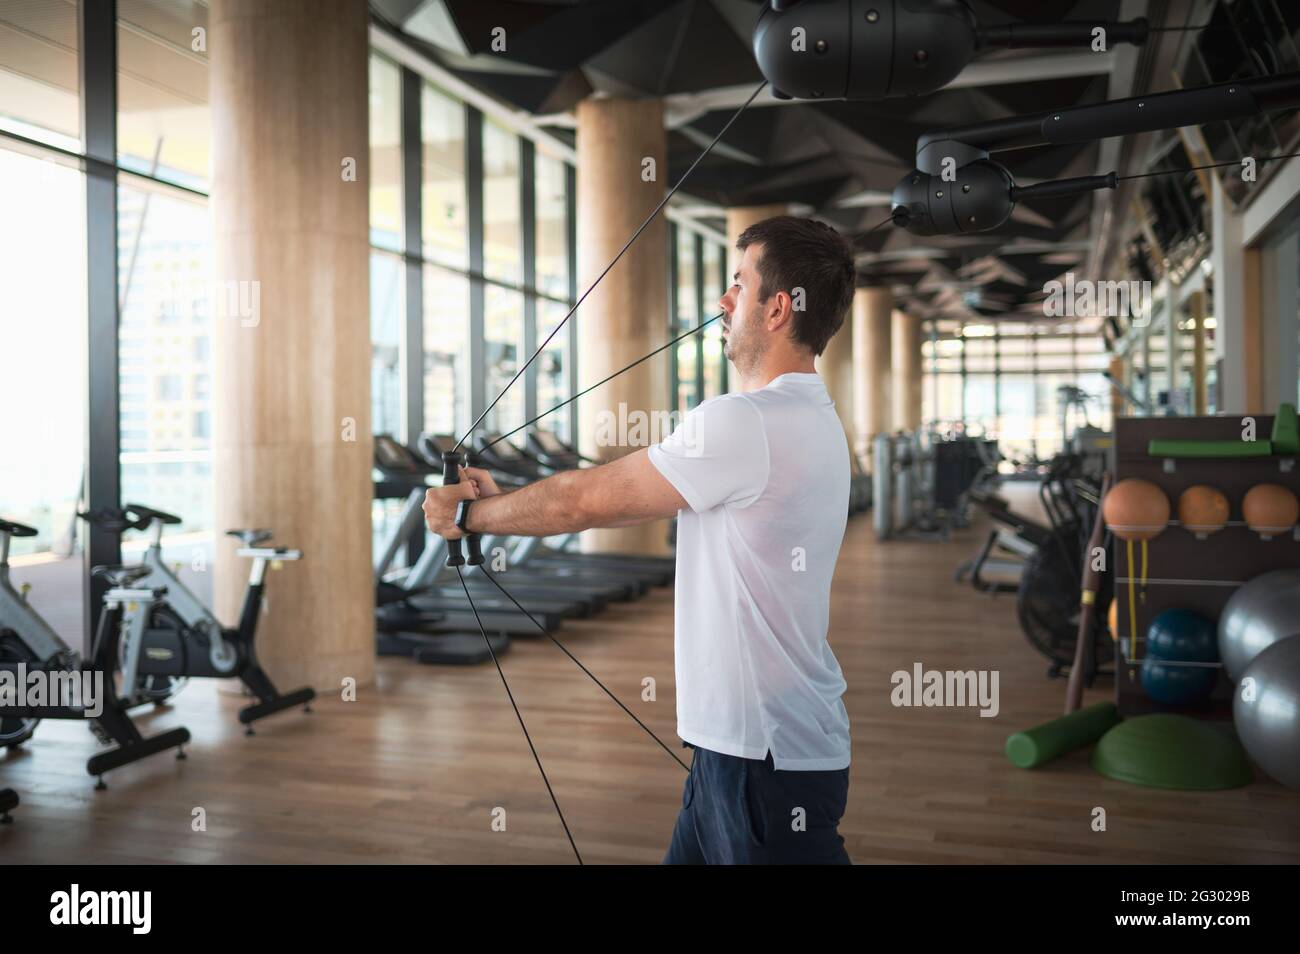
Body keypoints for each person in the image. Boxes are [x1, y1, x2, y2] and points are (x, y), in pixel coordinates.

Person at [423, 215, 856, 864]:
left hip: (764, 764)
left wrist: (470, 518)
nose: (723, 301)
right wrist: (503, 501)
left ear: (777, 309)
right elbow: (623, 499)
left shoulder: (745, 423)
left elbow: (584, 502)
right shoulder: (809, 417)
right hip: (739, 754)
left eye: (739, 285)